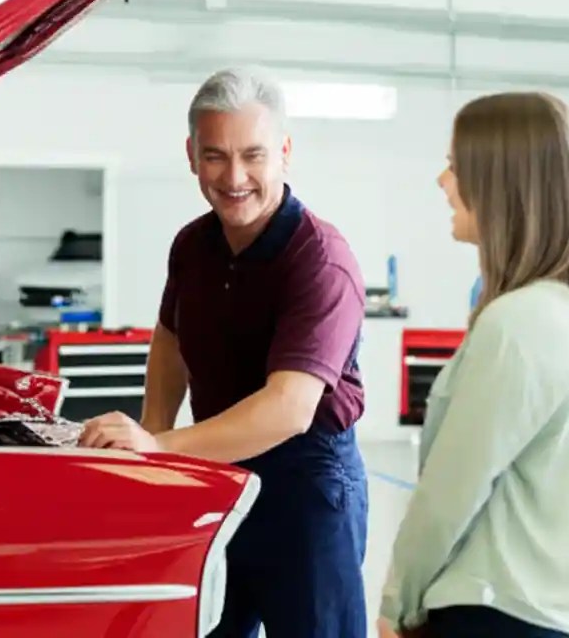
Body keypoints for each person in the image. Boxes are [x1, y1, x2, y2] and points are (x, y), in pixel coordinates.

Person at [79, 66, 370, 638]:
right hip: (216, 471)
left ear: (284, 151)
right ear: (190, 154)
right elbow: (170, 339)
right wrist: (151, 437)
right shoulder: (193, 244)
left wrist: (160, 446)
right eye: (215, 156)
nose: (234, 176)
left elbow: (288, 408)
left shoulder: (319, 260)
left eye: (253, 155)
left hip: (306, 485)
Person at [376, 92, 569, 638]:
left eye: (455, 166)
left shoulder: (522, 321)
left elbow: (448, 494)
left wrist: (397, 603)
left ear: (502, 183)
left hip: (493, 614)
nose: (442, 183)